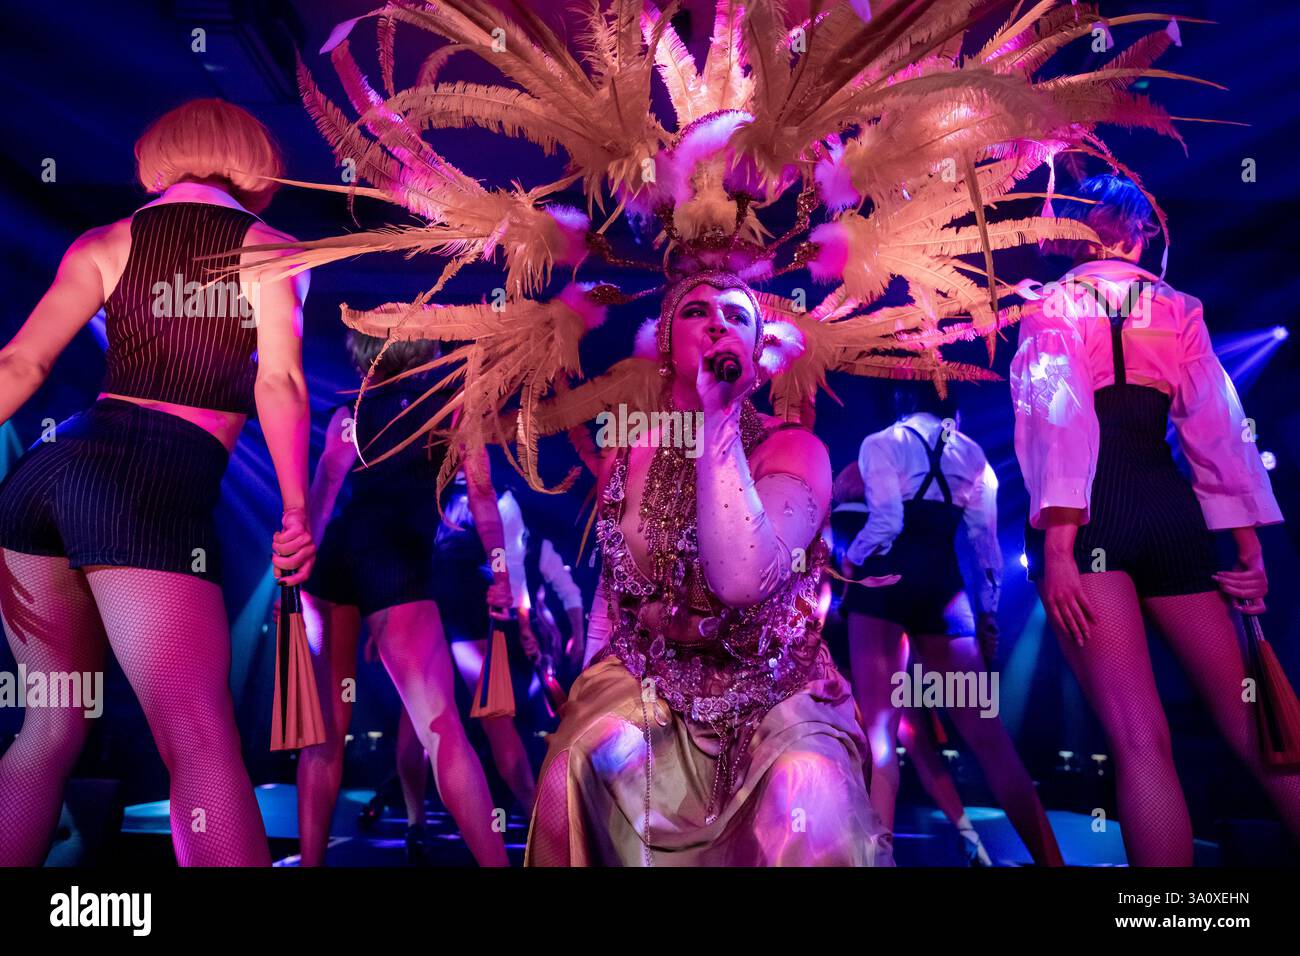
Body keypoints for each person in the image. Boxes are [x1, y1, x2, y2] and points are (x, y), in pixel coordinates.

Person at [0, 99, 314, 866]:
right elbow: (280, 385)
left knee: (48, 726)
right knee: (199, 738)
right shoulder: (274, 252)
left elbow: (20, 365)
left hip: (47, 478)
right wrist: (297, 506)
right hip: (147, 483)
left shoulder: (105, 241)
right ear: (253, 161)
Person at [526, 271, 892, 867]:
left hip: (775, 696)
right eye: (697, 310)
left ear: (755, 353)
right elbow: (610, 592)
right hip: (649, 685)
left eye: (738, 314)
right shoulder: (626, 453)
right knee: (574, 767)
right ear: (667, 343)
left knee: (812, 798)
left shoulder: (795, 449)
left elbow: (741, 580)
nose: (719, 320)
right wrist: (585, 688)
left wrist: (718, 423)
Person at [1011, 173, 1300, 865]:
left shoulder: (1051, 305)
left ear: (1075, 234)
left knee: (1140, 740)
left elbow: (1061, 426)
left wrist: (1057, 551)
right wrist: (1246, 544)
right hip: (1169, 509)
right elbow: (1219, 431)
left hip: (1088, 518)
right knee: (1256, 724)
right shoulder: (1179, 308)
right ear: (1141, 233)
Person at [295, 331, 509, 867]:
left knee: (324, 735)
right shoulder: (455, 414)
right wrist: (499, 569)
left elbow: (325, 488)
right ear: (426, 351)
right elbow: (481, 497)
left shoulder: (351, 411)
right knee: (441, 729)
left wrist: (302, 558)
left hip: (340, 558)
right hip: (395, 560)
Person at [842, 384, 1063, 865]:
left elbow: (886, 523)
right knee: (990, 739)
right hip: (944, 590)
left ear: (901, 403)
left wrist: (850, 568)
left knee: (881, 738)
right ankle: (1052, 861)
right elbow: (985, 548)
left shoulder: (881, 443)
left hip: (883, 583)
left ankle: (878, 860)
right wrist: (987, 613)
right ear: (952, 410)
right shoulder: (973, 454)